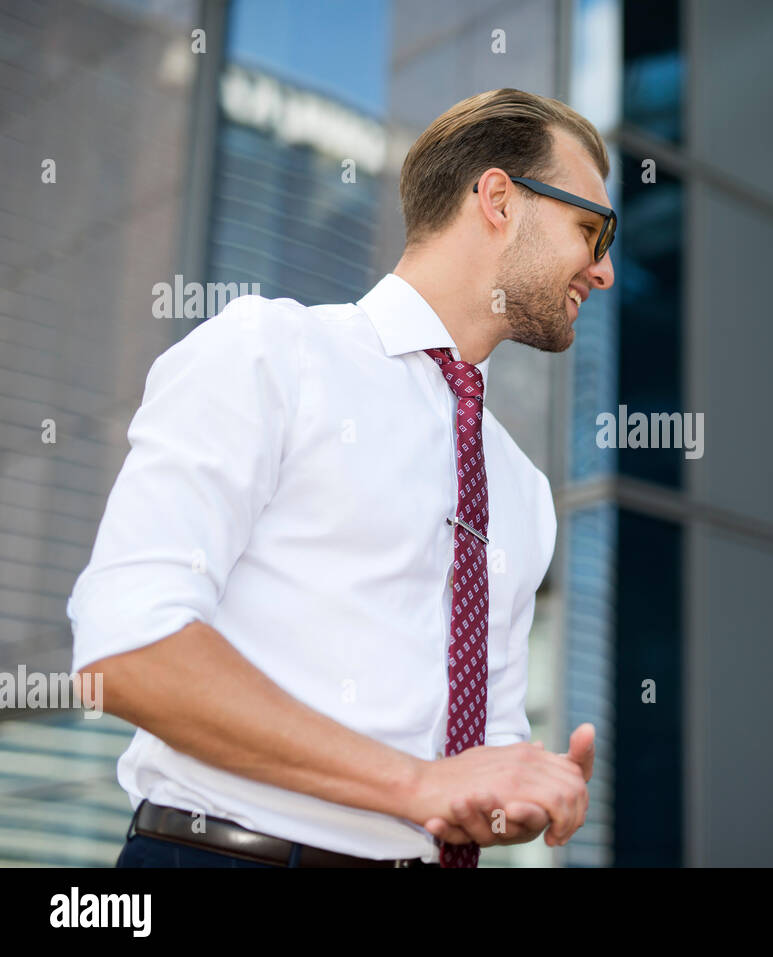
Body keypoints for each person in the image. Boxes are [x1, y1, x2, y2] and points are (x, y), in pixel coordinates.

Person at [67, 88, 617, 868]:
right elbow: (127, 646)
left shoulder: (522, 491)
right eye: (591, 230)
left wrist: (519, 794)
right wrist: (416, 786)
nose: (604, 271)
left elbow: (479, 760)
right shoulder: (270, 353)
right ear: (499, 199)